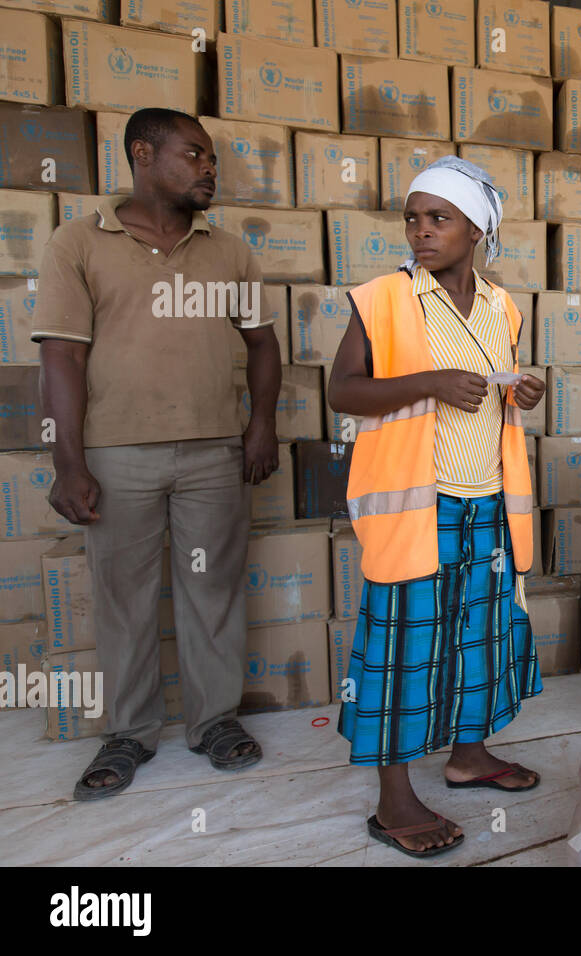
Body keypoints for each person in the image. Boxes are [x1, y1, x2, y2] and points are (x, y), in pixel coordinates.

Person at [33, 108, 280, 800]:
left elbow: (263, 343)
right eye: (195, 156)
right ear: (144, 154)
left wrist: (260, 425)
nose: (210, 169)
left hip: (213, 453)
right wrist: (68, 461)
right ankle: (131, 733)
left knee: (213, 590)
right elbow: (60, 355)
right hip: (116, 455)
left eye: (212, 159)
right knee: (125, 598)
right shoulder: (79, 242)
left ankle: (214, 722)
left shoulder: (228, 250)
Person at [327, 156, 546, 859]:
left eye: (439, 218)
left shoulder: (499, 305)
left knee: (479, 637)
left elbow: (485, 386)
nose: (422, 231)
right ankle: (393, 801)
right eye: (414, 218)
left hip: (489, 503)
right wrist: (429, 382)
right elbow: (343, 392)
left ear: (477, 228)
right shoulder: (385, 298)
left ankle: (468, 755)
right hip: (417, 508)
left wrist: (520, 391)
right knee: (404, 650)